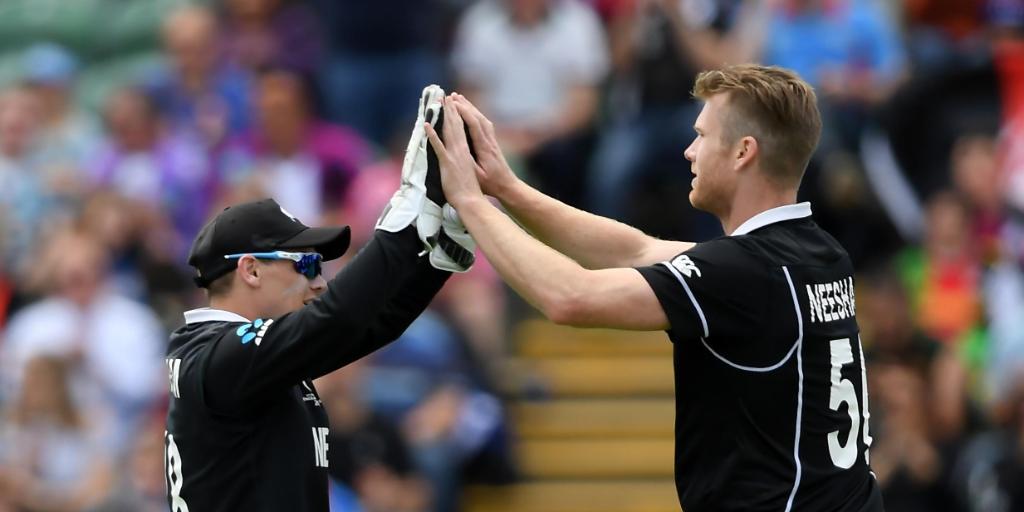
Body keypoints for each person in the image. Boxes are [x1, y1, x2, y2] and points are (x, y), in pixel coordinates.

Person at [427, 64, 884, 511]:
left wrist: (469, 202)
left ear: (743, 152)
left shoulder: (743, 271)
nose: (689, 151)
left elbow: (571, 296)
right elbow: (636, 249)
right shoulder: (821, 254)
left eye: (702, 136)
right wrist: (506, 187)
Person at [163, 85, 476, 511]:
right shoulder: (218, 355)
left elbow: (374, 324)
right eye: (306, 265)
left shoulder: (239, 356)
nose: (319, 283)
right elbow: (338, 316)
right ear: (250, 270)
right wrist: (405, 217)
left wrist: (436, 259)